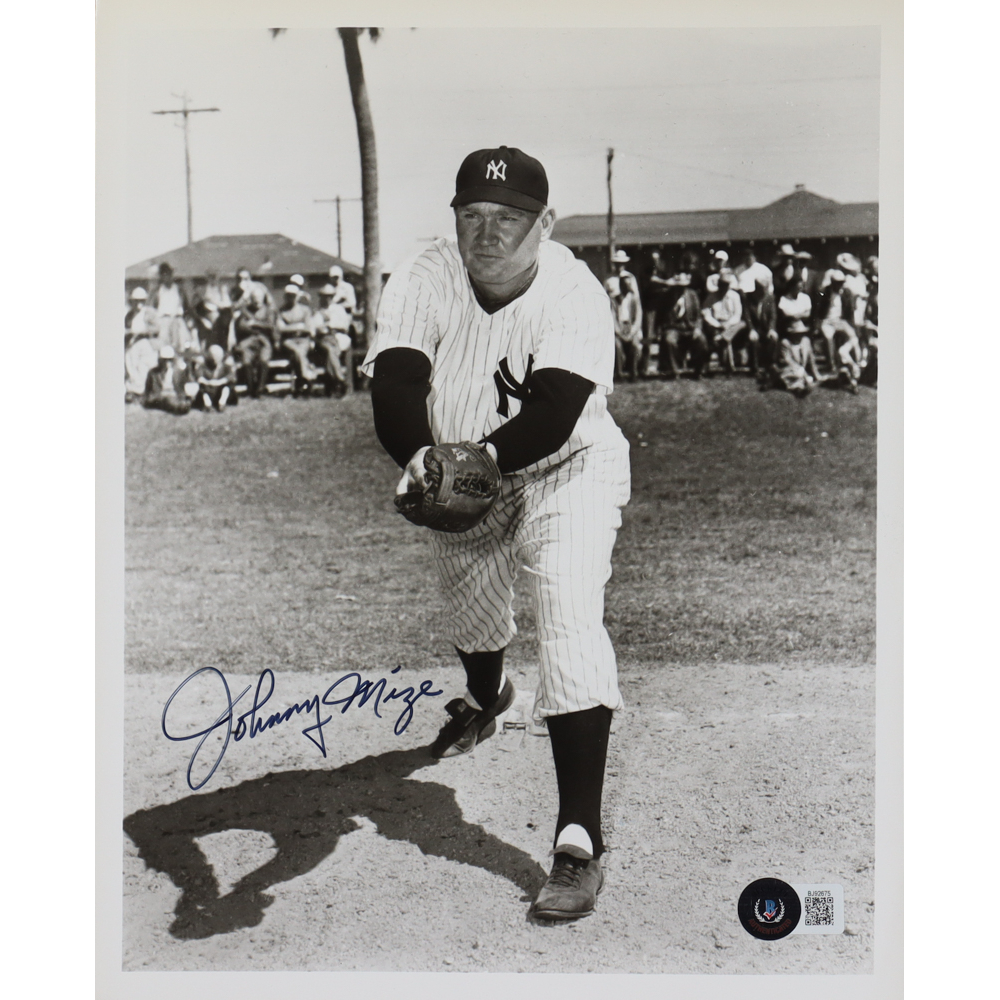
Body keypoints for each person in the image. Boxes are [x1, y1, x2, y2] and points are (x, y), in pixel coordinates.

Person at [361, 145, 631, 922]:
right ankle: (487, 697)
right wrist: (423, 463)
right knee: (472, 614)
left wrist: (473, 464)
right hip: (456, 469)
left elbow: (551, 413)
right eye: (472, 214)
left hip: (564, 469)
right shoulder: (425, 274)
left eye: (508, 218)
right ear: (454, 219)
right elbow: (399, 378)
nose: (488, 232)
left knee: (567, 616)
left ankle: (577, 843)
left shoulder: (574, 290)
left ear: (544, 222)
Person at [232, 268, 276, 398]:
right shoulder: (243, 303)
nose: (257, 301)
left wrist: (255, 324)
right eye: (255, 298)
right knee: (246, 361)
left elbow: (270, 325)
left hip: (264, 340)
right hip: (248, 340)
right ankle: (251, 389)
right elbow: (241, 325)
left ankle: (260, 389)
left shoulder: (266, 307)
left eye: (245, 278)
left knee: (264, 360)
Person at [816, 269, 861, 391]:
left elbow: (850, 312)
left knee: (852, 336)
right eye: (836, 282)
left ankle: (855, 362)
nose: (839, 284)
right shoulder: (826, 291)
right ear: (832, 282)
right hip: (828, 321)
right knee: (828, 335)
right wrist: (819, 324)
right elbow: (820, 310)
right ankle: (832, 365)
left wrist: (851, 326)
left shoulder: (846, 292)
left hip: (841, 321)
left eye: (841, 282)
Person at [276, 283, 321, 396]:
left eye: (293, 295)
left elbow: (308, 328)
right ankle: (306, 379)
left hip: (303, 340)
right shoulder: (281, 311)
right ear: (285, 297)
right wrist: (298, 326)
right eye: (289, 296)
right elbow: (281, 329)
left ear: (297, 296)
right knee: (297, 351)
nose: (291, 298)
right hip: (288, 341)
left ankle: (301, 382)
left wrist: (290, 327)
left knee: (300, 351)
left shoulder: (305, 310)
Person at [661, 273, 709, 378]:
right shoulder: (668, 296)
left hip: (690, 327)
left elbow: (699, 315)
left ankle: (698, 371)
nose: (680, 288)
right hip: (674, 327)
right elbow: (663, 316)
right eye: (678, 286)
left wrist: (697, 328)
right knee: (669, 340)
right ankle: (675, 371)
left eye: (683, 286)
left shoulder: (692, 295)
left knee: (702, 341)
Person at [309, 283, 351, 397]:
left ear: (332, 297)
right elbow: (313, 329)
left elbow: (345, 326)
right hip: (322, 340)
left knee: (330, 352)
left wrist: (331, 326)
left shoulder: (339, 309)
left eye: (329, 296)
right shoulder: (317, 311)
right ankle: (340, 380)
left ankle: (333, 385)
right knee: (330, 350)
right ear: (320, 297)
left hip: (337, 337)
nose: (327, 299)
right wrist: (322, 328)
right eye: (324, 296)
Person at [605, 253, 643, 382]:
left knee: (635, 345)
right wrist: (619, 332)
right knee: (616, 345)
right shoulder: (609, 280)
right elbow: (609, 310)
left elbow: (637, 311)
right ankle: (619, 374)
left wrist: (633, 330)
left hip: (630, 324)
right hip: (617, 325)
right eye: (617, 263)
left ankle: (634, 373)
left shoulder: (631, 278)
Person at [761, 318, 822, 398]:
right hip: (786, 369)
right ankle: (796, 389)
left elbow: (811, 359)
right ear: (792, 333)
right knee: (797, 375)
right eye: (797, 333)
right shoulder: (785, 343)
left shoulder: (806, 341)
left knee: (800, 376)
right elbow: (788, 361)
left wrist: (817, 375)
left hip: (799, 371)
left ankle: (798, 388)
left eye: (801, 333)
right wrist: (804, 374)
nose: (800, 335)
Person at [700, 272, 746, 372]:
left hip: (731, 324)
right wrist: (717, 324)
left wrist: (728, 324)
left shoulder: (734, 296)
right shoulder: (711, 296)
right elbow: (706, 313)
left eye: (726, 285)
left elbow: (737, 314)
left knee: (742, 324)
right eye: (722, 284)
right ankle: (730, 367)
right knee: (726, 339)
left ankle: (722, 337)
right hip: (716, 324)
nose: (724, 287)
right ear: (719, 284)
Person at [125, 287, 160, 402]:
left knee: (144, 365)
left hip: (146, 342)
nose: (138, 303)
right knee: (131, 364)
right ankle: (133, 391)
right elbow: (126, 328)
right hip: (132, 343)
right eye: (136, 301)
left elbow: (157, 328)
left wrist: (142, 331)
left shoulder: (149, 312)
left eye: (141, 300)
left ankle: (142, 391)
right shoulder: (130, 315)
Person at [150, 263, 194, 353]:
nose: (166, 277)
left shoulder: (179, 290)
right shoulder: (157, 291)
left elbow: (187, 308)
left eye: (168, 274)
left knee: (184, 346)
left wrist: (187, 320)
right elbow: (151, 309)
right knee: (164, 347)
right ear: (161, 276)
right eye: (164, 274)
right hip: (163, 322)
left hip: (178, 321)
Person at [142, 344, 193, 415]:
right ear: (160, 361)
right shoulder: (153, 373)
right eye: (165, 360)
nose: (167, 363)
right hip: (159, 397)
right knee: (167, 400)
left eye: (170, 360)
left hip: (174, 395)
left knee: (174, 400)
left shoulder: (177, 372)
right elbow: (148, 390)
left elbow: (181, 389)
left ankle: (181, 406)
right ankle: (178, 408)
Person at [743, 276, 778, 373]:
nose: (763, 292)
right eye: (761, 289)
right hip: (754, 328)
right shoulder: (748, 298)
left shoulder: (770, 298)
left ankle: (770, 365)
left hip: (765, 328)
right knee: (753, 340)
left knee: (773, 338)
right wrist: (751, 330)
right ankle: (754, 367)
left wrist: (771, 329)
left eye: (765, 289)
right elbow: (747, 316)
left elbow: (773, 315)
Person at [194, 344, 238, 411]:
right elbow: (199, 377)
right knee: (202, 387)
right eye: (213, 356)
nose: (215, 359)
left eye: (217, 356)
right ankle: (207, 404)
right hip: (209, 390)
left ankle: (222, 403)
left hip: (220, 391)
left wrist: (219, 382)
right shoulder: (204, 366)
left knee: (228, 386)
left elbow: (231, 376)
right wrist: (208, 382)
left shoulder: (225, 366)